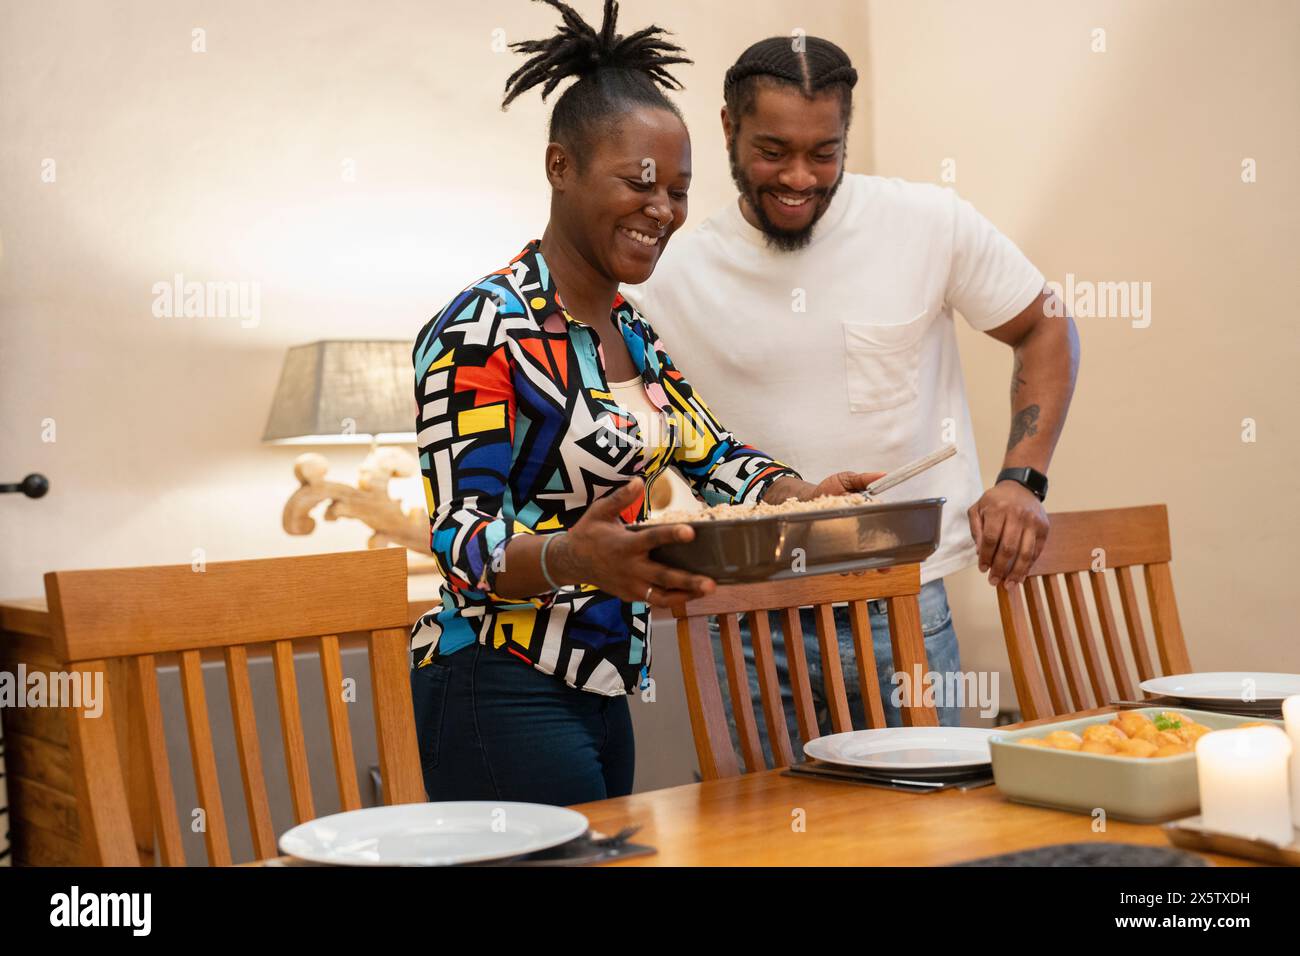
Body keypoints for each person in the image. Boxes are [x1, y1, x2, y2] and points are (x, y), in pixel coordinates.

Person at [409, 2, 884, 806]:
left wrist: (796, 495)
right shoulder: (483, 329)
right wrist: (572, 556)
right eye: (638, 182)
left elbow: (711, 453)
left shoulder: (630, 330)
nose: (661, 208)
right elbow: (461, 539)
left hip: (601, 681)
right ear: (561, 167)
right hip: (496, 680)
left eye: (677, 189)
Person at [623, 35, 1080, 750]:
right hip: (745, 614)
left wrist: (1023, 478)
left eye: (824, 152)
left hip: (900, 597)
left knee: (933, 829)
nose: (799, 177)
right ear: (727, 129)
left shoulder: (927, 223)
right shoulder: (671, 274)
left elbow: (1045, 326)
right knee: (766, 840)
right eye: (772, 151)